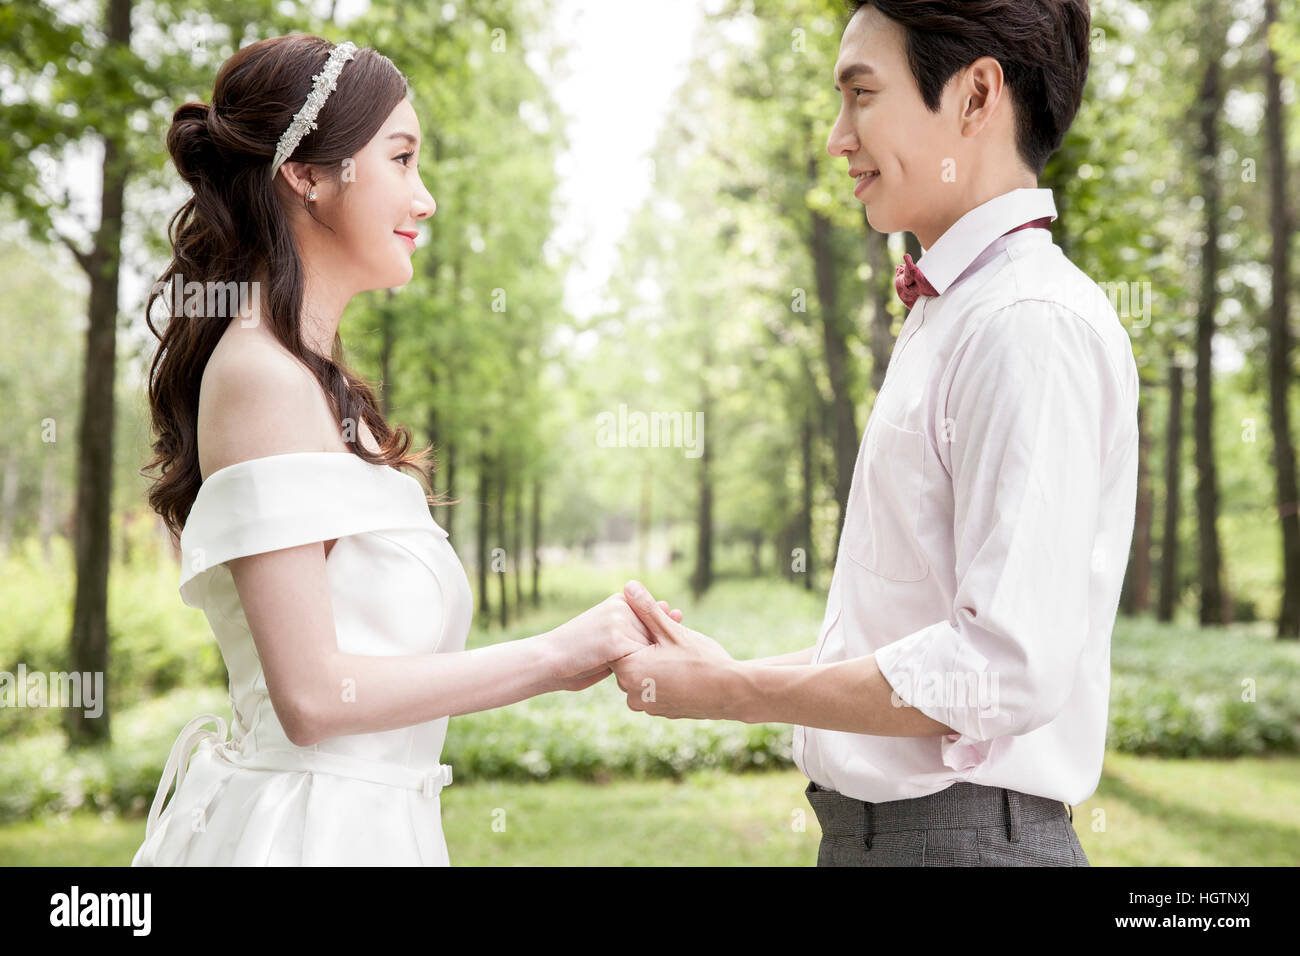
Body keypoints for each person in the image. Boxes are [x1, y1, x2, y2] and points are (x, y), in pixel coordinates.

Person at [132, 34, 681, 866]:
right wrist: (557, 654)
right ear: (308, 175)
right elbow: (313, 696)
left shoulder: (322, 390)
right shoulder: (261, 380)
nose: (424, 200)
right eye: (402, 160)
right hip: (306, 835)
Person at [611, 0, 1137, 867]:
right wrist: (733, 670)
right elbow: (909, 637)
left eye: (861, 93)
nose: (836, 138)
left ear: (975, 98)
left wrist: (736, 692)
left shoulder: (1027, 323)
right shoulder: (960, 311)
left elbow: (1001, 665)